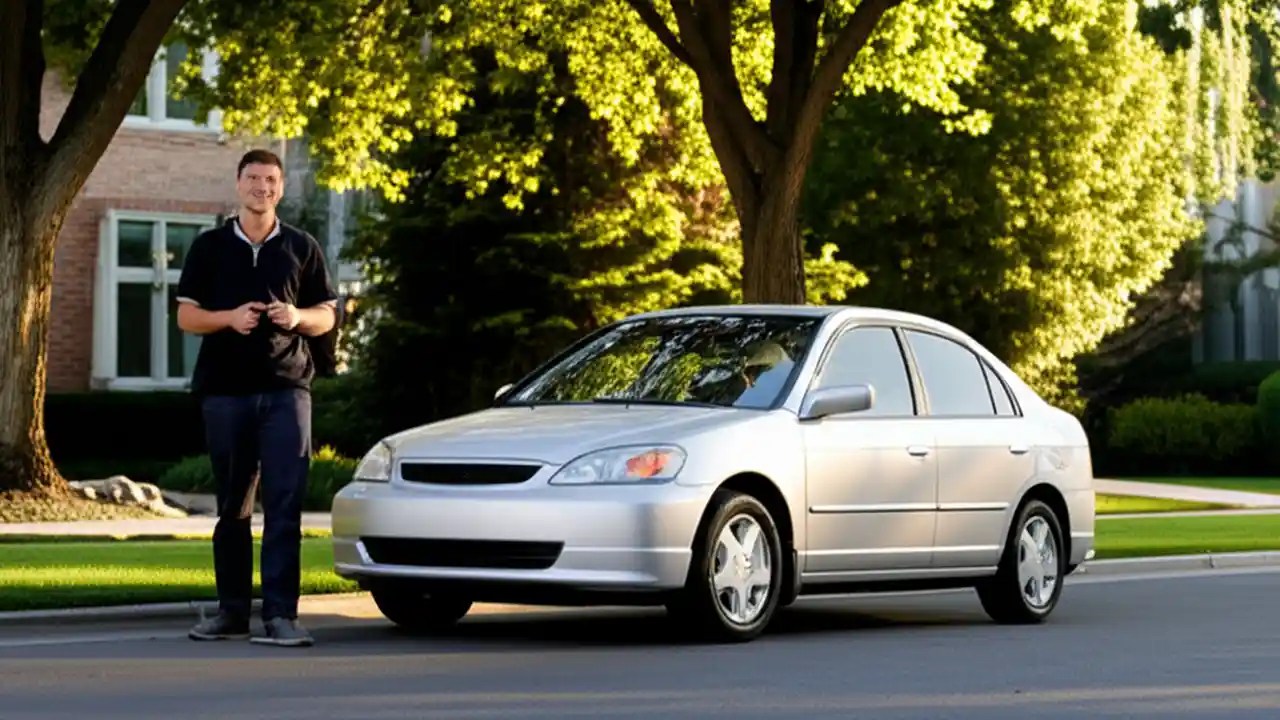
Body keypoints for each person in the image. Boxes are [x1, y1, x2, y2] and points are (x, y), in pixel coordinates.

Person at [175, 148, 338, 647]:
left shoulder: (302, 246)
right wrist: (229, 318)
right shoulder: (208, 247)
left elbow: (327, 315)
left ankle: (281, 616)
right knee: (232, 509)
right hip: (226, 394)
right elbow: (186, 317)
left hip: (287, 392)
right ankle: (230, 613)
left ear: (281, 188)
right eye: (253, 178)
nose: (262, 187)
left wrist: (296, 317)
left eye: (271, 179)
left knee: (285, 507)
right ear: (238, 185)